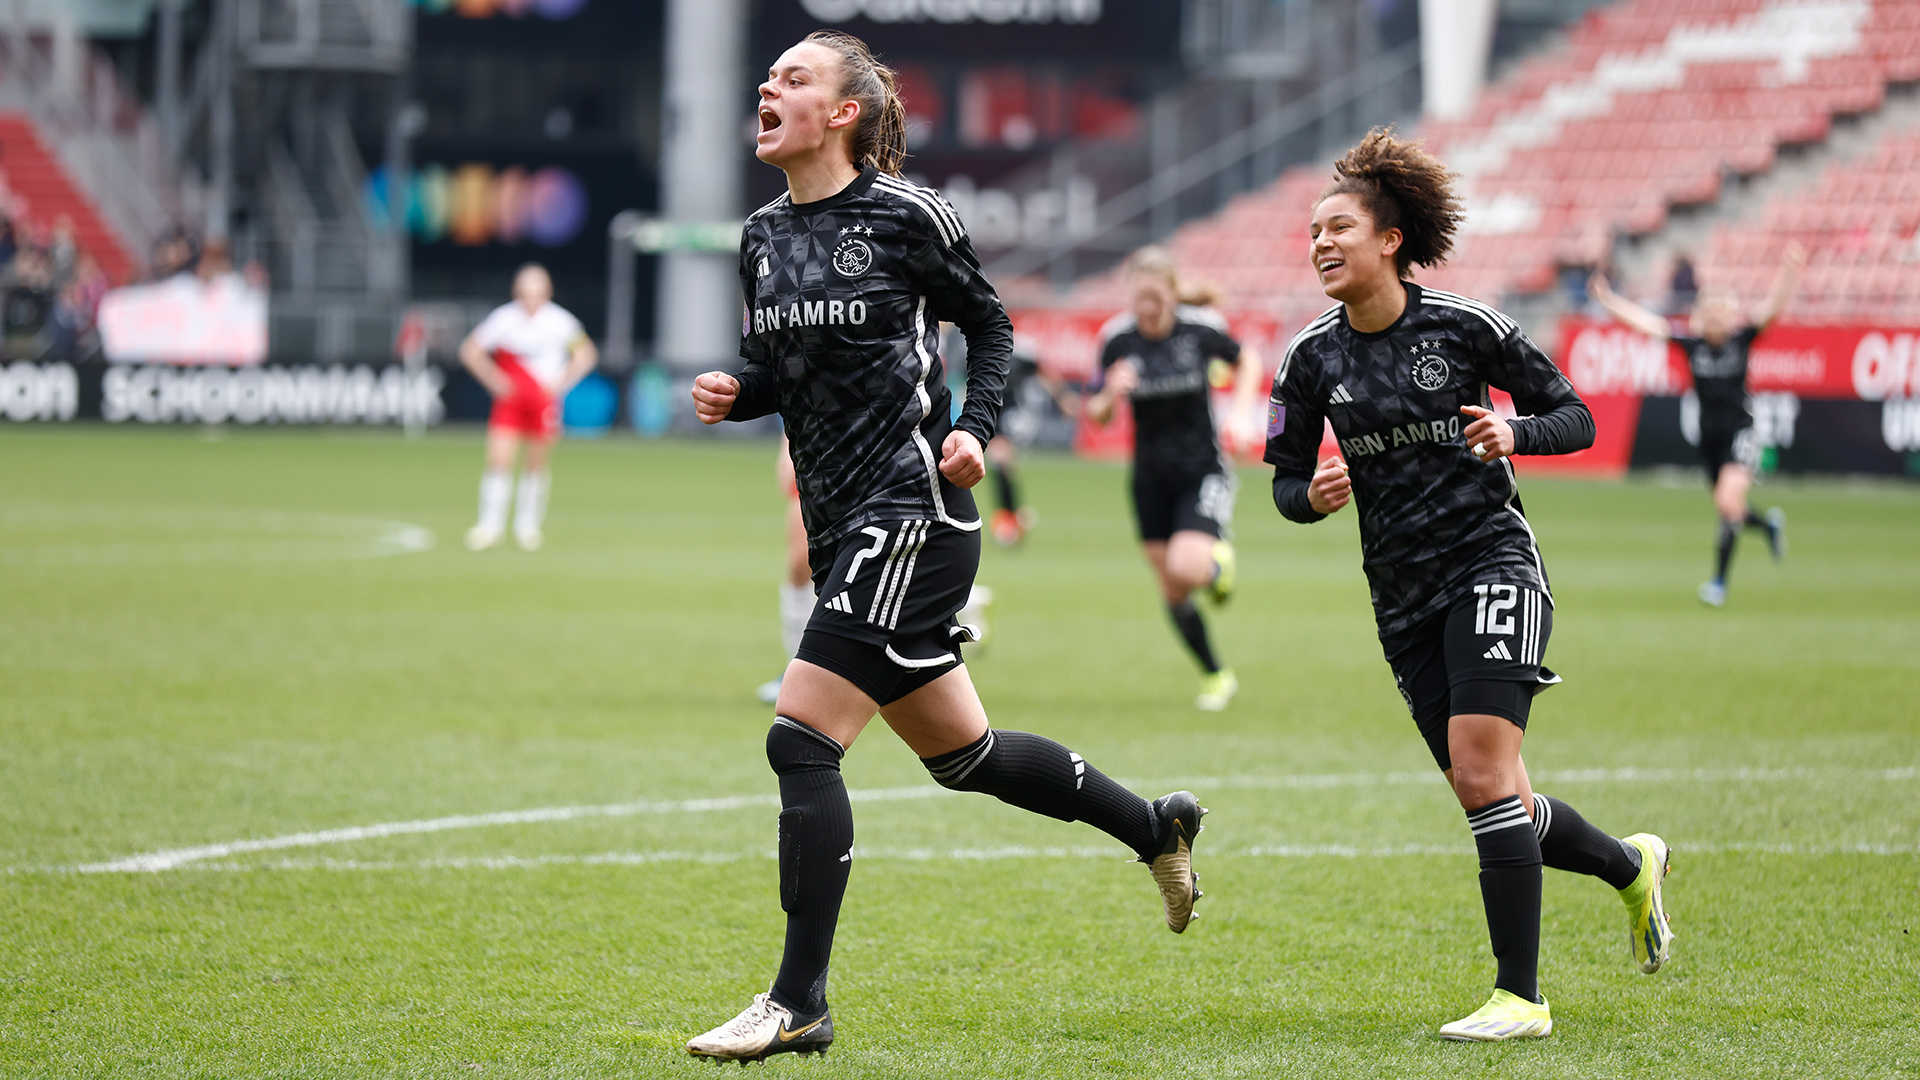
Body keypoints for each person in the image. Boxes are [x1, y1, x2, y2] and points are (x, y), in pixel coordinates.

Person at [684, 30, 1206, 1064]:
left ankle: (799, 1002)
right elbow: (780, 371)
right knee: (965, 759)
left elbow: (993, 326)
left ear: (844, 112)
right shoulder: (758, 236)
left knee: (800, 736)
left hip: (915, 510)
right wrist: (739, 390)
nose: (767, 87)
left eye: (793, 77)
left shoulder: (907, 214)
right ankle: (1157, 827)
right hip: (844, 525)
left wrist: (978, 423)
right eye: (770, 75)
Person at [1264, 128, 1674, 1041]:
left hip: (1493, 563)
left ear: (1390, 239)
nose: (1321, 244)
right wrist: (1313, 494)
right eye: (1312, 232)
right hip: (1400, 599)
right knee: (1495, 795)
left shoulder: (1465, 326)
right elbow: (1285, 482)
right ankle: (1630, 866)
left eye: (1338, 227)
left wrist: (1512, 436)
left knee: (1485, 768)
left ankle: (1520, 999)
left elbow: (1576, 415)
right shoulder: (1310, 360)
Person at [1084, 246, 1261, 711]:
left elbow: (1249, 362)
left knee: (1187, 568)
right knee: (1173, 588)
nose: (1145, 306)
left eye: (1153, 296)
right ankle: (1215, 674)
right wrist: (1111, 393)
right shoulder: (1117, 339)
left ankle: (1217, 564)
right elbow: (1097, 415)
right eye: (1137, 297)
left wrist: (1242, 416)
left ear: (1170, 292)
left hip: (1202, 468)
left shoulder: (1200, 330)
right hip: (1149, 477)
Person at [1588, 245, 1803, 606]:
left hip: (1742, 431)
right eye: (1711, 313)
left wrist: (1790, 273)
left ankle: (1719, 583)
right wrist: (1609, 301)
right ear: (1701, 316)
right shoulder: (1692, 345)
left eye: (1722, 312)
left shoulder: (1742, 340)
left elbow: (1771, 309)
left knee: (1726, 500)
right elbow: (1647, 323)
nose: (1717, 319)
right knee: (1729, 507)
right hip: (1710, 438)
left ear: (1731, 315)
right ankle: (1768, 526)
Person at [458, 263, 597, 552]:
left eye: (537, 292)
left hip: (542, 403)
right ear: (517, 292)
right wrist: (494, 380)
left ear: (547, 292)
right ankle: (490, 526)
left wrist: (560, 384)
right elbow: (470, 350)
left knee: (535, 464)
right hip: (510, 403)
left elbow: (586, 355)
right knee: (499, 460)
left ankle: (527, 527)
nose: (531, 298)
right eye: (526, 292)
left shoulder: (561, 322)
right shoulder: (503, 319)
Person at [758, 437, 815, 704]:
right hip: (817, 438)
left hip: (879, 441)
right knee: (800, 563)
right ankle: (799, 669)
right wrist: (786, 447)